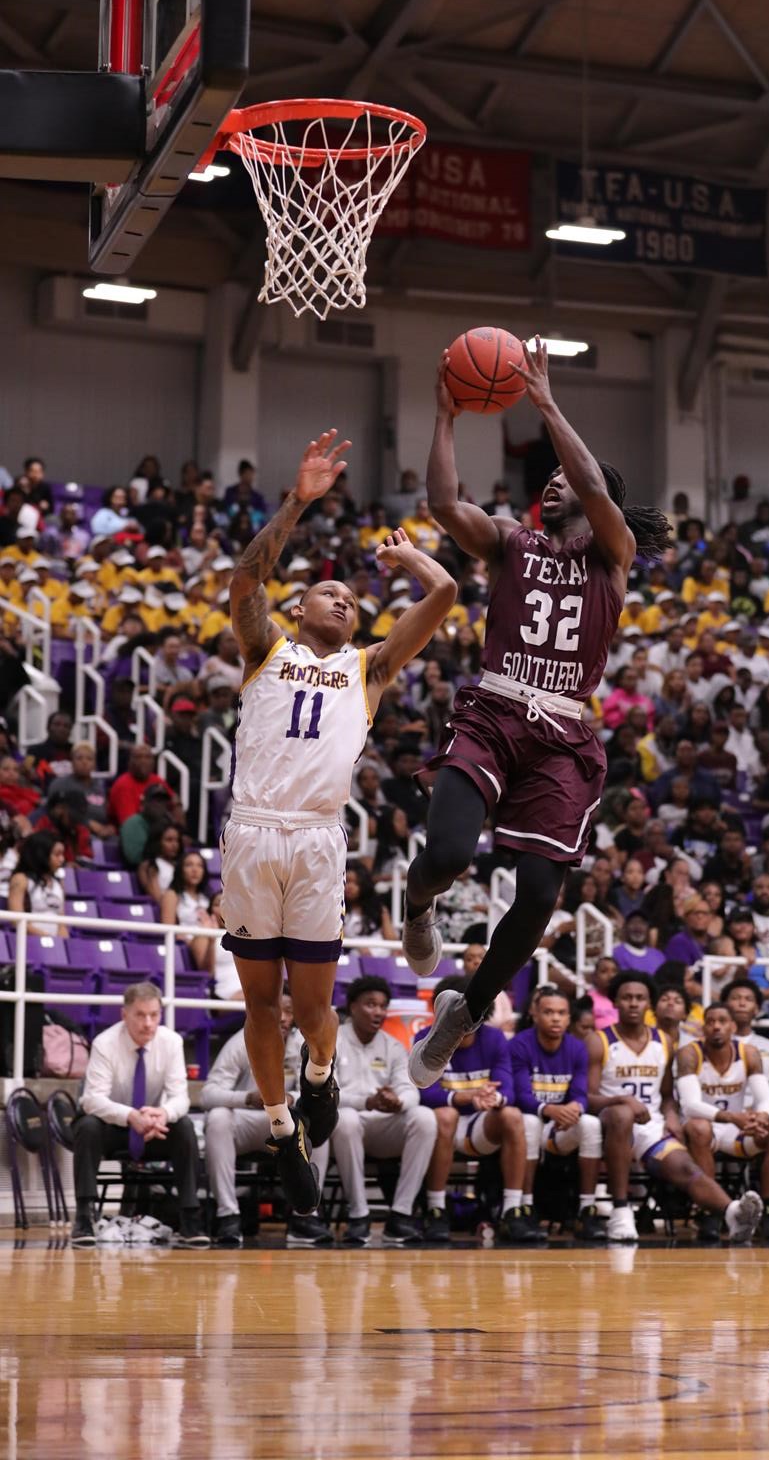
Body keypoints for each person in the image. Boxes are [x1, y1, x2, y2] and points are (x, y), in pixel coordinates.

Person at [404, 340, 672, 1091]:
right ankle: (418, 901)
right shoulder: (511, 543)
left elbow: (591, 484)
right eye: (548, 479)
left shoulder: (611, 555)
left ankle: (468, 1009)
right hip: (494, 708)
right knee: (452, 852)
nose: (553, 485)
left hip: (562, 734)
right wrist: (445, 417)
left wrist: (546, 401)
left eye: (566, 481)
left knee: (537, 895)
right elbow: (445, 505)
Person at [221, 428, 457, 1218]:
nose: (345, 602)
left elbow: (446, 596)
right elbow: (245, 575)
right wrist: (299, 500)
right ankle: (284, 1126)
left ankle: (320, 1077)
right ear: (299, 606)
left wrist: (407, 558)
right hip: (253, 830)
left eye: (353, 601)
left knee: (316, 1010)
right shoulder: (266, 648)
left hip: (319, 841)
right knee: (261, 1005)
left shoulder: (370, 669)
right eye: (331, 593)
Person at [585, 971, 764, 1245]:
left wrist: (670, 1116)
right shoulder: (599, 1041)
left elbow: (668, 1095)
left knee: (686, 1168)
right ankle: (621, 1211)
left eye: (640, 998)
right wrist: (620, 1100)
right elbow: (588, 1096)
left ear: (649, 1005)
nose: (633, 1003)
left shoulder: (664, 1042)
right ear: (616, 1003)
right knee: (622, 1115)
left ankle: (732, 1213)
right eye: (627, 998)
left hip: (651, 1125)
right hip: (611, 1123)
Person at [71, 983, 208, 1248]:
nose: (148, 1023)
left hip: (154, 1128)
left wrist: (163, 1114)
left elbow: (181, 1096)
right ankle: (84, 1216)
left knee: (184, 1127)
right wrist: (130, 1116)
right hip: (116, 1127)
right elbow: (92, 1099)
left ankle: (190, 1218)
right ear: (124, 1015)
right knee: (87, 1126)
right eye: (140, 1015)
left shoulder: (171, 1042)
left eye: (154, 1015)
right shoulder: (105, 1043)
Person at [415, 976, 542, 1245]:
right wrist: (464, 1096)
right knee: (444, 1115)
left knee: (512, 1115)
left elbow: (507, 1091)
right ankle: (437, 1209)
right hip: (442, 1123)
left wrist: (492, 1098)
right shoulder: (425, 1039)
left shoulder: (495, 1039)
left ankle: (511, 1209)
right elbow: (425, 1094)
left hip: (479, 1124)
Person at [313, 977, 438, 1248]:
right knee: (345, 1119)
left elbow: (410, 1091)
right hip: (341, 1129)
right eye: (371, 1004)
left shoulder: (392, 1045)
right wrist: (366, 1102)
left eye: (383, 1006)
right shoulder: (331, 1040)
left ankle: (400, 1215)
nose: (378, 1012)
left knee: (425, 1118)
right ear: (352, 1006)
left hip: (382, 1126)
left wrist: (398, 1102)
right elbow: (323, 1096)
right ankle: (359, 1215)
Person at [203, 995, 333, 1249]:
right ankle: (227, 1214)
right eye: (278, 1010)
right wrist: (247, 1098)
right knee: (218, 1118)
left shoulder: (302, 1045)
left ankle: (305, 1216)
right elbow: (208, 1094)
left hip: (285, 1122)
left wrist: (293, 1097)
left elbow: (315, 1094)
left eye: (289, 1011)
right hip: (249, 1120)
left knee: (316, 1127)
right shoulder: (240, 1042)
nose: (283, 1017)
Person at [677, 1003, 769, 1242]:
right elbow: (689, 1106)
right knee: (698, 1127)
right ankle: (710, 1211)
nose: (716, 1026)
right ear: (703, 1027)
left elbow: (766, 1100)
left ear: (733, 1027)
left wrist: (763, 1117)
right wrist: (733, 1117)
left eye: (722, 1021)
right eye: (710, 1021)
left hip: (736, 1129)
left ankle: (768, 1209)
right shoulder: (689, 1053)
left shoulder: (748, 1053)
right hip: (706, 1128)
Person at [510, 985, 605, 1241]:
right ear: (535, 1014)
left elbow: (581, 1093)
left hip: (558, 1126)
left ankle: (587, 1209)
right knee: (528, 1121)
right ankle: (526, 1205)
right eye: (549, 1012)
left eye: (562, 1013)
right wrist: (549, 1109)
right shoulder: (519, 1045)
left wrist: (576, 1108)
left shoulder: (576, 1048)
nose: (555, 1018)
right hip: (529, 1122)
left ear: (568, 1018)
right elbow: (520, 1095)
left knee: (591, 1125)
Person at [160, 850, 213, 970]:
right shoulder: (172, 894)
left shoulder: (207, 897)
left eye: (199, 866)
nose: (195, 870)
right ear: (180, 870)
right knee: (203, 938)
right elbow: (168, 929)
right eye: (189, 865)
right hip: (188, 942)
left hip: (211, 938)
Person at [6, 833, 66, 934]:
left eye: (62, 854)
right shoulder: (20, 879)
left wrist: (62, 944)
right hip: (28, 943)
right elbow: (16, 920)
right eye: (57, 854)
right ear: (41, 854)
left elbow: (62, 924)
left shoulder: (58, 883)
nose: (62, 859)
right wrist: (45, 937)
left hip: (54, 945)